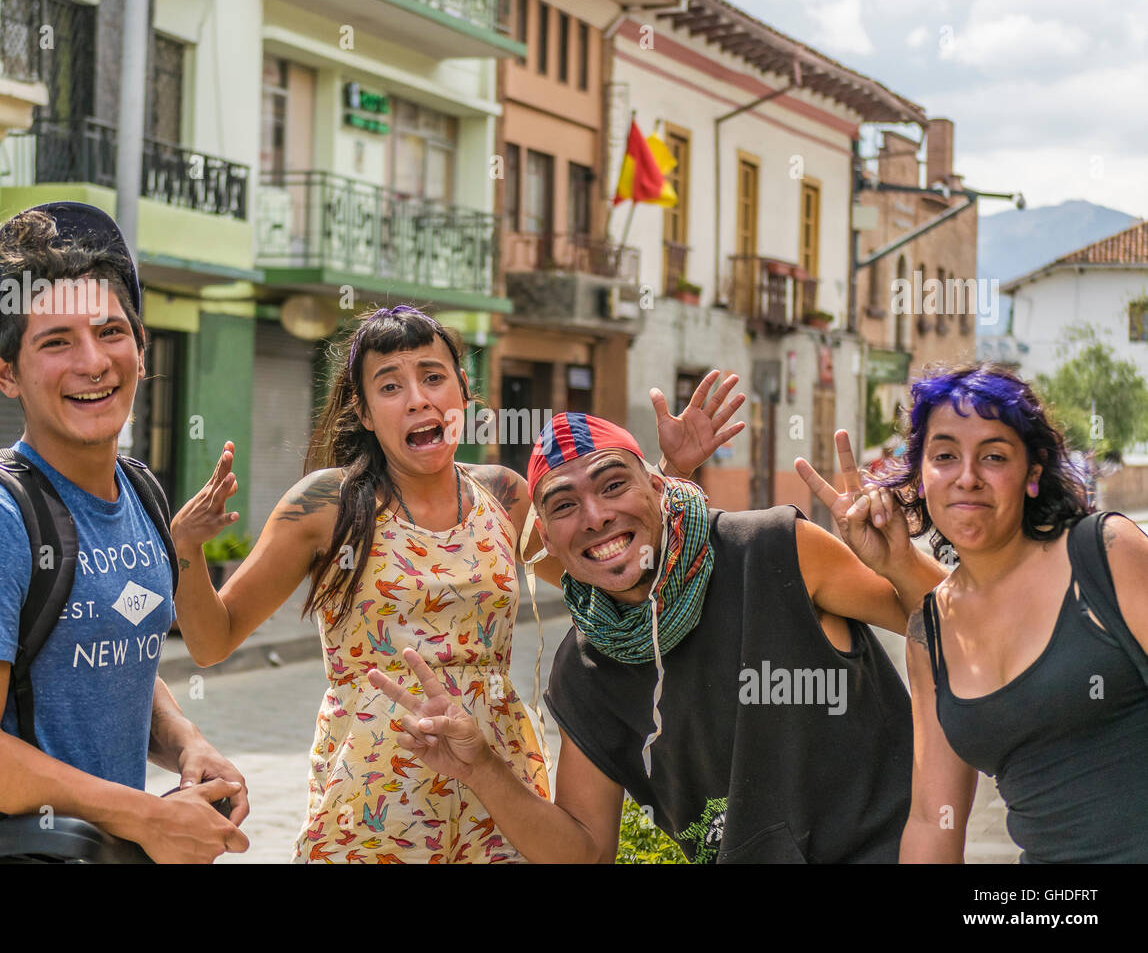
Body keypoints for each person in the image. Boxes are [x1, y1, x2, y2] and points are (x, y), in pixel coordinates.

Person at [171, 306, 745, 863]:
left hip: (501, 783)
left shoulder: (506, 496)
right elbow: (210, 640)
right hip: (374, 797)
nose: (418, 398)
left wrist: (671, 475)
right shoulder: (326, 504)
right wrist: (188, 550)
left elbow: (622, 576)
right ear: (365, 412)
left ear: (463, 393)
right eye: (390, 386)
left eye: (432, 377)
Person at [369, 411, 946, 863]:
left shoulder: (771, 550)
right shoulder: (585, 670)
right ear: (545, 537)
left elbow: (962, 623)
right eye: (565, 505)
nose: (594, 517)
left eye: (613, 485)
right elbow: (585, 850)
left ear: (659, 487)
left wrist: (898, 561)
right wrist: (481, 769)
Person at [0, 202, 249, 864]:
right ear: (6, 372)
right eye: (56, 341)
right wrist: (151, 818)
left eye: (111, 331)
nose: (92, 361)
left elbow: (116, 649)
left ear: (141, 351)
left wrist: (186, 744)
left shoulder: (142, 495)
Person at [833, 363, 1148, 863]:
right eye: (944, 456)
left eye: (994, 456)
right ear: (920, 479)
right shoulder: (929, 634)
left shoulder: (1107, 555)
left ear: (1032, 475)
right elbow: (932, 820)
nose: (968, 478)